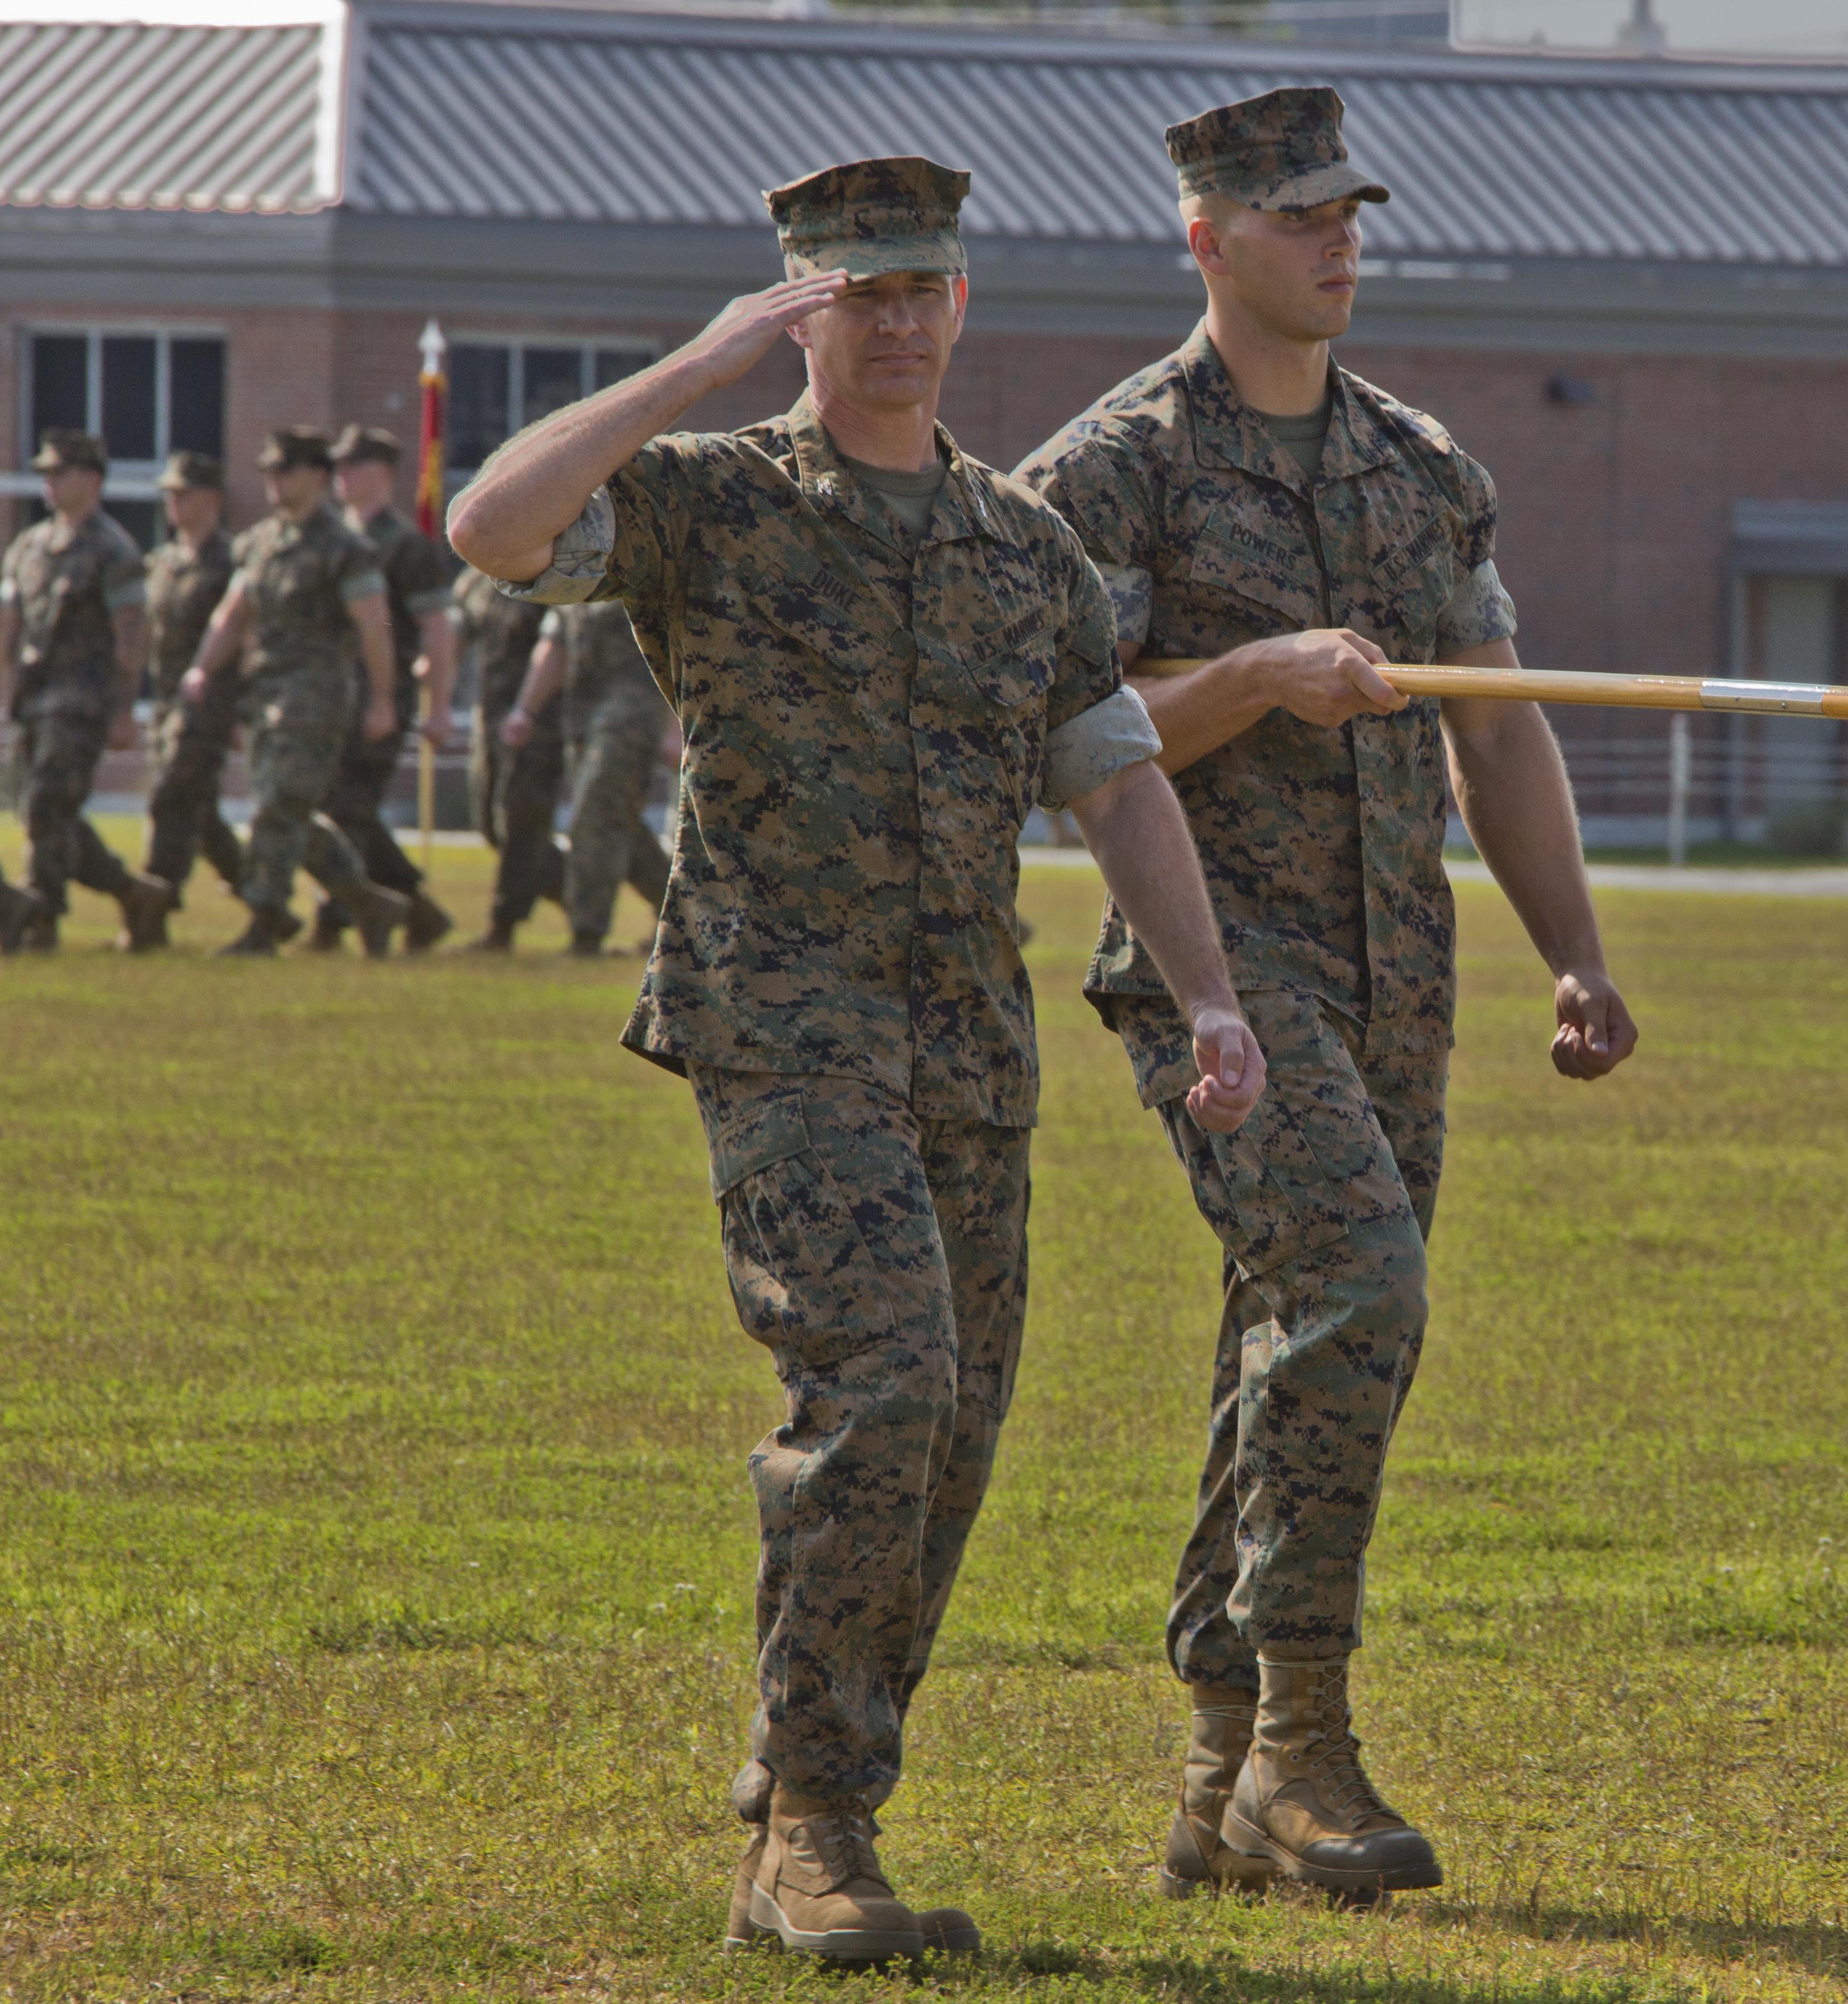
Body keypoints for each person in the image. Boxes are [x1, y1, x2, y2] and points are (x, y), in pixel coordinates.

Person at [448, 156, 1270, 1966]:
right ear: (803, 313)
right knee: (883, 1386)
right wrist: (695, 364)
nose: (895, 327)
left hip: (965, 1040)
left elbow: (1115, 775)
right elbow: (496, 532)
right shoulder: (705, 501)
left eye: (921, 294)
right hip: (782, 1021)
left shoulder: (1015, 546)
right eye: (856, 297)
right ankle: (817, 1823)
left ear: (961, 307)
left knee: (951, 1437)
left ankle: (815, 1812)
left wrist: (1211, 999)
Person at [1018, 86, 1638, 1905]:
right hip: (1215, 965)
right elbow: (1076, 742)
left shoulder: (1422, 469)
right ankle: (1300, 1749)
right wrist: (1260, 675)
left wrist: (1576, 955)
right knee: (1356, 1282)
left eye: (1348, 211)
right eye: (1297, 218)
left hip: (1396, 972)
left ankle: (1221, 1784)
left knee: (1290, 1330)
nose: (1337, 241)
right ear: (1204, 241)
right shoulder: (1111, 467)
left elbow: (1495, 724)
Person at [178, 428, 415, 957]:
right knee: (287, 809)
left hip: (316, 696)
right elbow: (233, 615)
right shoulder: (262, 542)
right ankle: (370, 903)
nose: (273, 480)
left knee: (278, 805)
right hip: (264, 694)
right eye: (269, 470)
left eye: (284, 470)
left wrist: (383, 700)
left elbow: (375, 629)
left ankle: (266, 920)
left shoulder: (345, 548)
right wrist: (201, 669)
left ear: (318, 476)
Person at [0, 430, 176, 953]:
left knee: (50, 802)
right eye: (47, 473)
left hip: (82, 699)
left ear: (93, 479)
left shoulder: (112, 549)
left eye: (61, 473)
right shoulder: (29, 546)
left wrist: (124, 709)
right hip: (34, 697)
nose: (49, 483)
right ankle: (131, 892)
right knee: (37, 808)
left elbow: (131, 632)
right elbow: (10, 625)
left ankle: (39, 916)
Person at [306, 424, 456, 953]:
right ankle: (408, 911)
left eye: (355, 466)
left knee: (347, 808)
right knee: (335, 809)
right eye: (338, 466)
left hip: (379, 697)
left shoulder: (406, 547)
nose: (341, 476)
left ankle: (369, 912)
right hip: (331, 697)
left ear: (386, 474)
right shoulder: (328, 537)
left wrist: (438, 707)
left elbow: (438, 629)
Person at [500, 598, 672, 956]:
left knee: (594, 815)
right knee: (611, 818)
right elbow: (556, 646)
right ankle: (683, 907)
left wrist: (675, 727)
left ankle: (586, 935)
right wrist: (525, 710)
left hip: (635, 711)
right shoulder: (574, 574)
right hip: (581, 714)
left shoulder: (643, 562)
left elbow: (681, 649)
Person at [141, 450, 248, 912]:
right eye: (170, 494)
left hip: (212, 704)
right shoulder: (163, 562)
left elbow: (249, 636)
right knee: (198, 809)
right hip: (168, 702)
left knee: (169, 793)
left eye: (183, 493)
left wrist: (244, 712)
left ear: (212, 499)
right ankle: (261, 895)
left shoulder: (233, 561)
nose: (174, 502)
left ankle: (155, 899)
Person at [453, 566, 564, 952]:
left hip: (538, 719)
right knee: (490, 823)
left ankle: (502, 927)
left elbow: (557, 646)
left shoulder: (548, 575)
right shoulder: (476, 579)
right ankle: (578, 886)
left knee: (520, 822)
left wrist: (527, 710)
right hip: (490, 716)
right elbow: (458, 629)